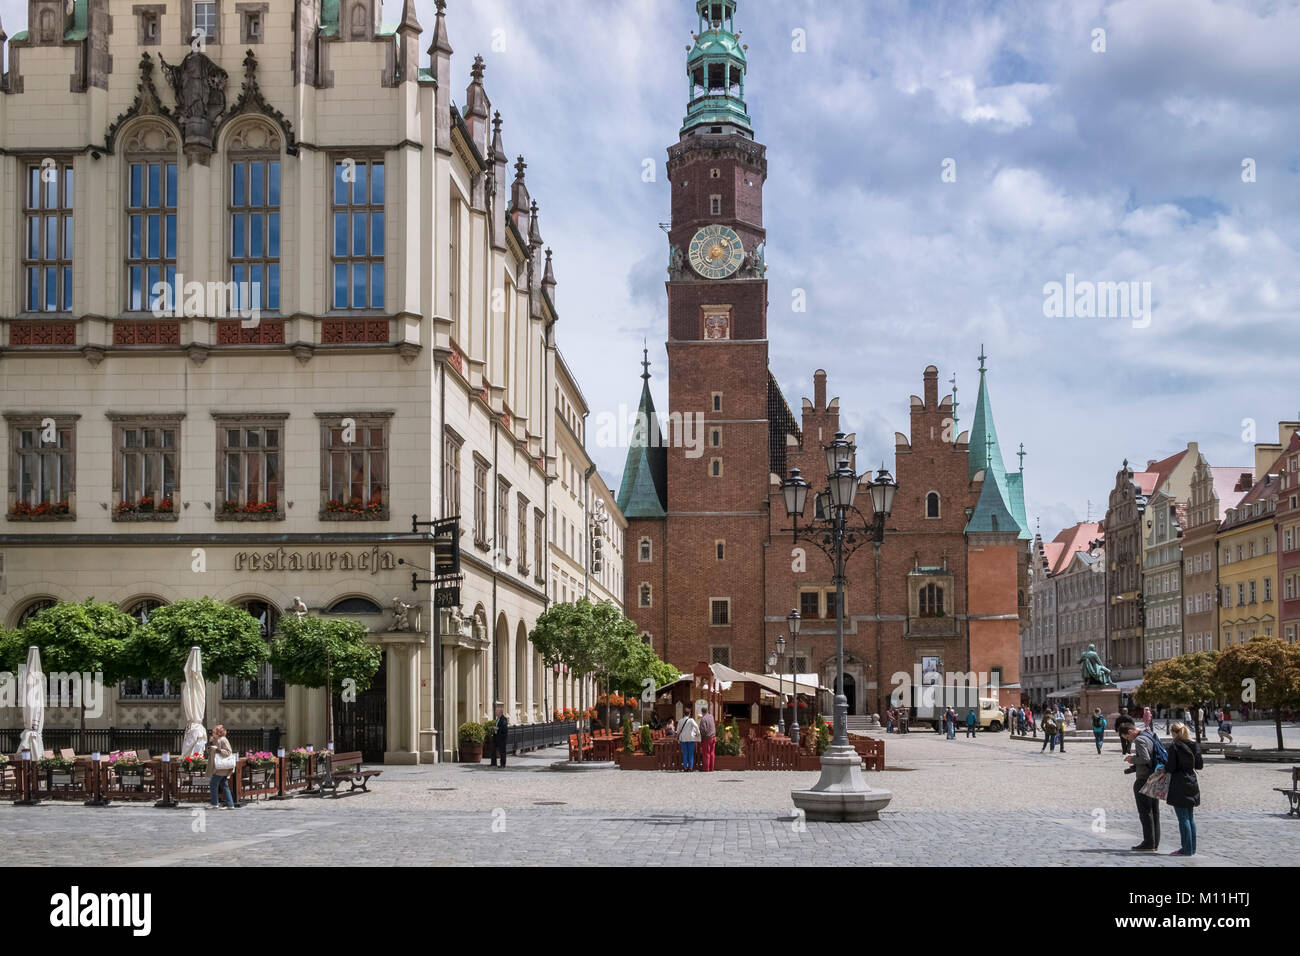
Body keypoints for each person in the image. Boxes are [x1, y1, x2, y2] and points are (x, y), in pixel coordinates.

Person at [1117, 715, 1162, 851]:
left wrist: (1132, 759)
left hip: (1144, 779)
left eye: (1128, 738)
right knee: (1154, 811)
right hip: (1154, 777)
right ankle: (1154, 842)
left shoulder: (1140, 740)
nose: (1129, 740)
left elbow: (1145, 758)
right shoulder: (1150, 735)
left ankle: (1148, 842)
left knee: (1145, 812)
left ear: (1130, 732)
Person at [1165, 721, 1203, 856]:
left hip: (1178, 783)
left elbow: (1170, 767)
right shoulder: (1194, 744)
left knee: (1183, 818)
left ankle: (1186, 849)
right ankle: (1192, 848)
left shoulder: (1175, 746)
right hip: (1192, 781)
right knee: (1190, 817)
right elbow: (1199, 765)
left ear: (1175, 733)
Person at [207, 724, 236, 810]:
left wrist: (217, 749)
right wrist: (211, 742)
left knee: (213, 783)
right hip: (219, 767)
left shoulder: (223, 740)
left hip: (221, 767)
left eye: (214, 732)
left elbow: (228, 752)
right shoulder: (218, 740)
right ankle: (230, 804)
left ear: (219, 733)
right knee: (224, 785)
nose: (212, 733)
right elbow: (210, 750)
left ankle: (214, 803)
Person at [699, 707, 717, 772]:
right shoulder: (711, 716)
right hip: (713, 737)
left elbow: (703, 730)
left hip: (707, 738)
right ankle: (711, 768)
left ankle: (706, 768)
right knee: (712, 753)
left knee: (706, 753)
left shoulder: (703, 719)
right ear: (708, 711)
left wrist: (701, 737)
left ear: (702, 711)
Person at [491, 702, 508, 767]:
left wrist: (497, 728)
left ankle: (503, 764)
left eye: (496, 711)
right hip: (496, 737)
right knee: (493, 750)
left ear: (500, 712)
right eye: (495, 711)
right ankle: (493, 763)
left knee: (502, 751)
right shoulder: (498, 719)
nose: (495, 712)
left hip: (502, 738)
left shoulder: (504, 719)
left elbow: (504, 729)